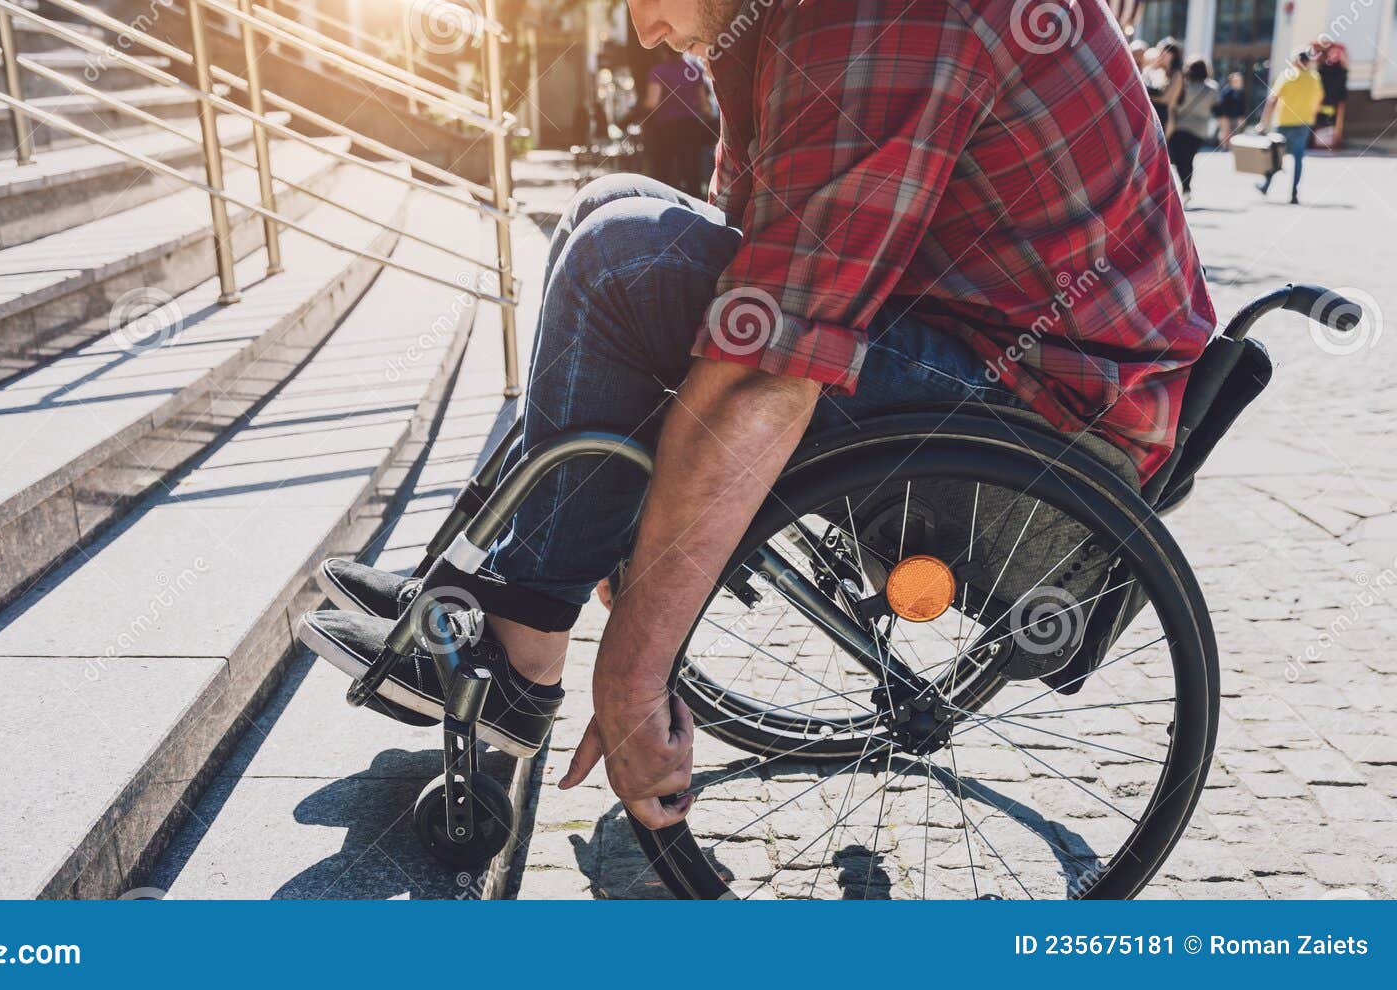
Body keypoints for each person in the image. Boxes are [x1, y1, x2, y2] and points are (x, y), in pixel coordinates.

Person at [300, 0, 1216, 830]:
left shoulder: (866, 16)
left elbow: (763, 369)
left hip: (1057, 420)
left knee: (622, 263)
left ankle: (523, 656)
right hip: (1000, 350)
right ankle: (477, 587)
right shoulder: (780, 26)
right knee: (609, 209)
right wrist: (626, 506)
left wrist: (631, 671)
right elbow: (743, 255)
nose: (645, 32)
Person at [635, 52, 714, 196]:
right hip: (691, 127)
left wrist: (639, 114)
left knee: (663, 172)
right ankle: (696, 211)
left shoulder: (658, 71)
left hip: (667, 129)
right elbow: (704, 106)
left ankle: (663, 207)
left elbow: (652, 102)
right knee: (692, 173)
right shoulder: (694, 69)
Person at [1257, 50, 1323, 204]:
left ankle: (1266, 185)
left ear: (1295, 61)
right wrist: (1311, 114)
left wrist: (1264, 121)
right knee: (1298, 157)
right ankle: (1294, 193)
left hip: (1284, 122)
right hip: (1304, 122)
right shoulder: (1315, 78)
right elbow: (1319, 99)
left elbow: (1272, 99)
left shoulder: (1287, 75)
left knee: (1275, 156)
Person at [1168, 58, 1219, 201]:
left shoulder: (1184, 85)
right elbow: (1217, 108)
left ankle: (1185, 188)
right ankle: (1187, 188)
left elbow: (1174, 105)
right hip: (1200, 129)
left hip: (1180, 126)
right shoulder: (1212, 88)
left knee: (1179, 159)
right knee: (1189, 158)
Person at [1144, 39, 1184, 128]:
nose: (1160, 56)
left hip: (1165, 117)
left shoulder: (1176, 75)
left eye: (1163, 53)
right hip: (1153, 114)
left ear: (1172, 55)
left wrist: (1145, 96)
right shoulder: (1160, 71)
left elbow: (1165, 99)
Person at [1215, 71, 1246, 149]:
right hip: (1227, 117)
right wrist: (1222, 117)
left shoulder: (1239, 92)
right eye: (1236, 81)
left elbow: (1242, 106)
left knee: (1234, 133)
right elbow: (1221, 105)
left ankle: (1231, 148)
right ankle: (1225, 148)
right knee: (1226, 133)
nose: (1238, 83)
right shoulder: (1226, 91)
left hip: (1235, 117)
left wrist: (1242, 117)